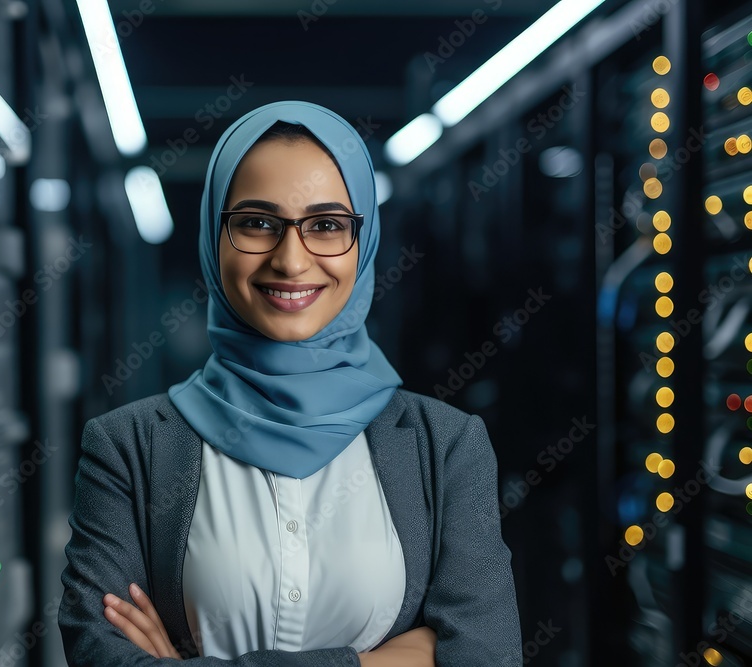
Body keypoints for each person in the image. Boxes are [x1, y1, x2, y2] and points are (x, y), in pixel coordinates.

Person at [59, 100, 522, 666]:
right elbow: (97, 655)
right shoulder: (127, 448)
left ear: (365, 239)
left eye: (327, 226)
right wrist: (383, 661)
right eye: (257, 223)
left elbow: (488, 657)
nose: (292, 260)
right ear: (214, 236)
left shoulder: (446, 446)